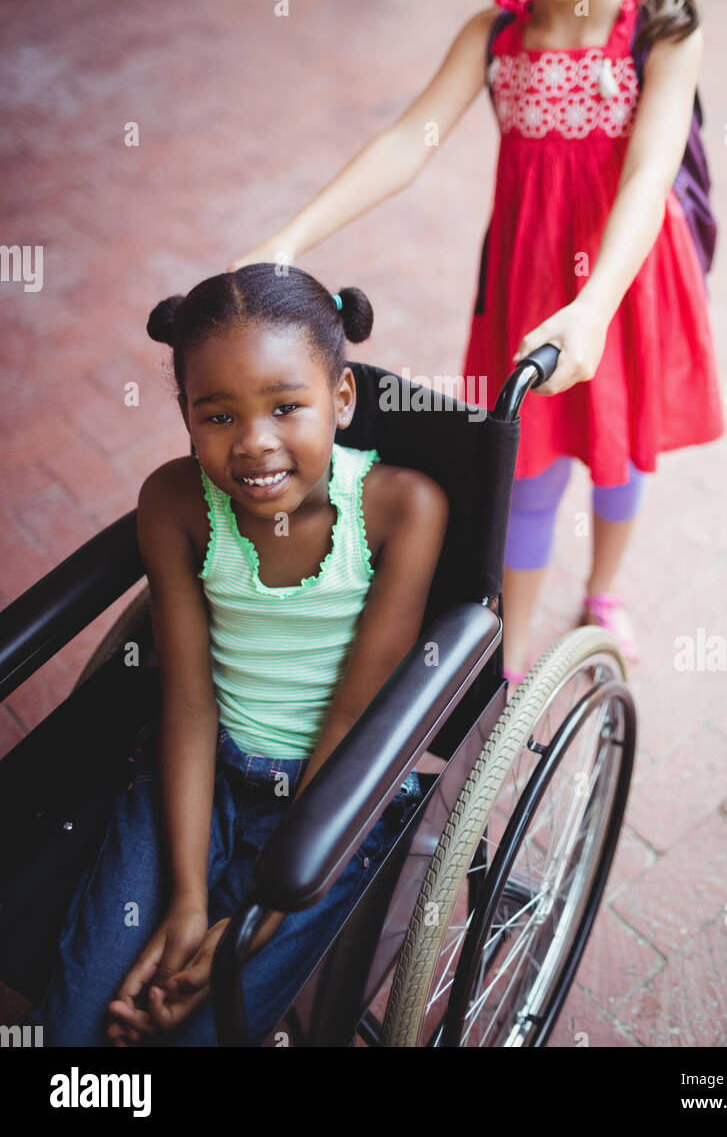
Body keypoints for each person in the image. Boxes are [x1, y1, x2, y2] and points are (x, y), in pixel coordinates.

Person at [229, 0, 724, 676]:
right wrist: (291, 237)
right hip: (532, 286)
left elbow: (651, 174)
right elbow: (406, 142)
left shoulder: (664, 34)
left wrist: (596, 305)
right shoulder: (493, 39)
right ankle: (513, 652)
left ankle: (605, 589)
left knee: (619, 459)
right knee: (524, 469)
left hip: (626, 282)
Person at [26, 264, 449, 1046]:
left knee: (194, 1034)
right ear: (186, 417)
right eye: (217, 417)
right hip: (200, 772)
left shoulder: (402, 509)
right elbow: (187, 700)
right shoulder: (176, 501)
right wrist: (190, 903)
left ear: (343, 400)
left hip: (335, 798)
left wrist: (258, 916)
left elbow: (356, 713)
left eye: (287, 407)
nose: (255, 444)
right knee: (78, 1024)